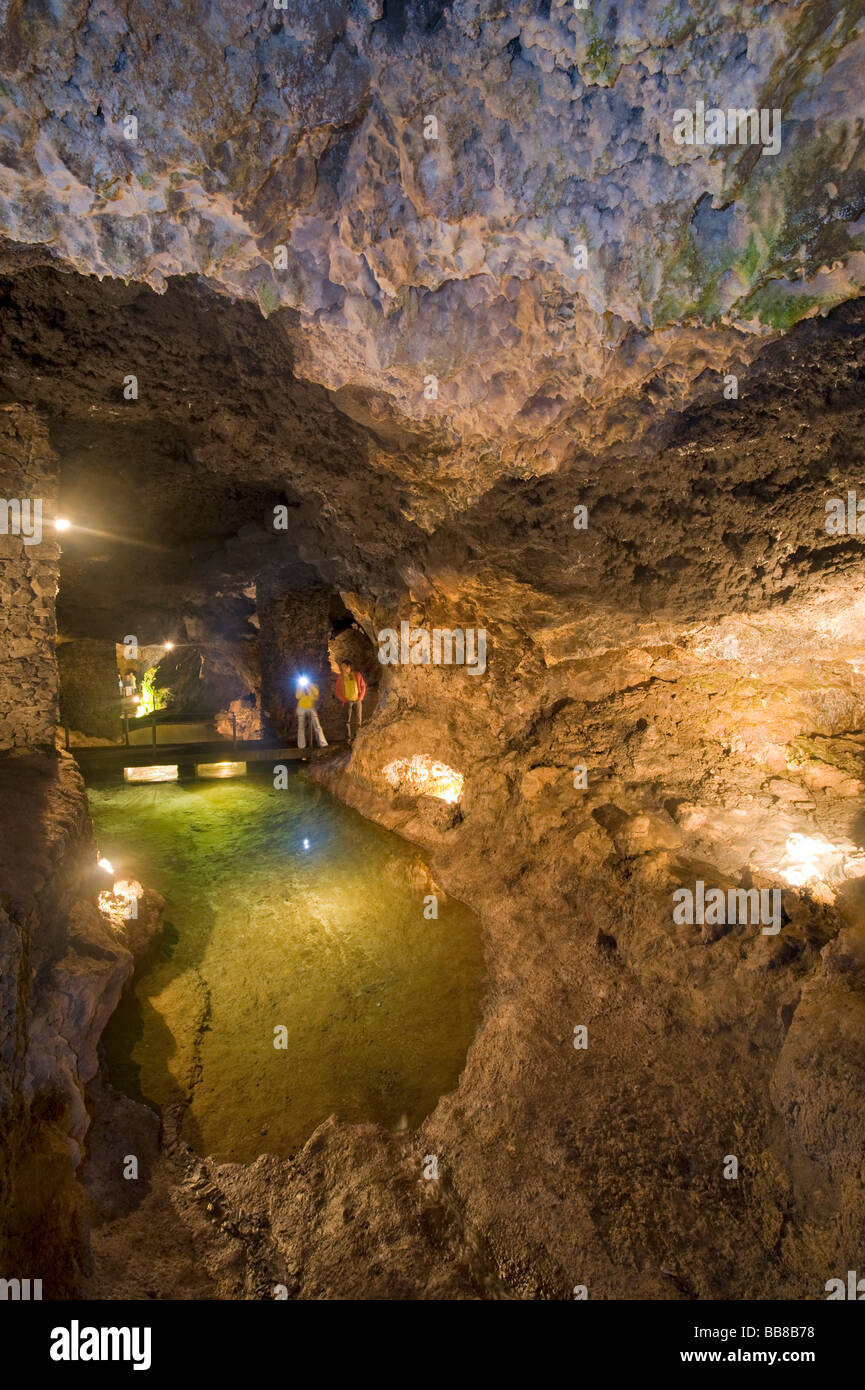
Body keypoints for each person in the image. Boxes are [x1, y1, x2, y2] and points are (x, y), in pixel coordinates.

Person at [335, 660, 367, 741]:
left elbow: (363, 686)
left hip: (357, 700)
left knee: (358, 720)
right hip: (347, 701)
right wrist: (343, 699)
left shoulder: (357, 674)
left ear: (349, 666)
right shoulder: (341, 677)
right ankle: (348, 739)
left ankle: (357, 737)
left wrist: (361, 697)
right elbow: (337, 689)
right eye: (341, 666)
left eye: (344, 666)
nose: (342, 668)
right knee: (346, 721)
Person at [296, 676, 328, 751]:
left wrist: (309, 690)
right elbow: (297, 696)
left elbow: (315, 697)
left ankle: (322, 743)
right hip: (301, 707)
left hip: (311, 707)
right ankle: (301, 746)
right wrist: (301, 689)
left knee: (317, 725)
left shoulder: (314, 686)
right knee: (301, 727)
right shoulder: (299, 686)